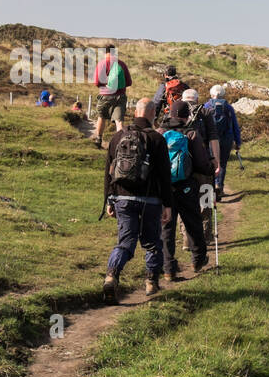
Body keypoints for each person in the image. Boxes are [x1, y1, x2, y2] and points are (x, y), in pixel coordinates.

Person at [103, 97, 172, 301]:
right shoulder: (157, 139)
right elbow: (164, 175)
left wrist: (109, 199)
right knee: (151, 242)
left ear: (135, 113)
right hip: (150, 200)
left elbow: (108, 172)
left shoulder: (117, 137)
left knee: (125, 242)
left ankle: (111, 276)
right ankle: (151, 282)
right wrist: (168, 204)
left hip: (122, 198)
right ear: (153, 114)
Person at [159, 102, 213, 281]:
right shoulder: (191, 134)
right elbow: (202, 163)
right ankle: (197, 259)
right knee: (193, 222)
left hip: (163, 187)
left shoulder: (159, 133)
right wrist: (210, 169)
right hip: (186, 186)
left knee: (167, 226)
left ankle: (168, 269)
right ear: (186, 115)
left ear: (170, 114)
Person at [204, 84, 242, 201]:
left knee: (212, 163)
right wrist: (238, 141)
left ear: (211, 94)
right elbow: (235, 126)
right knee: (223, 163)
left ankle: (212, 188)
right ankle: (219, 186)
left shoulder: (207, 106)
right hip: (227, 138)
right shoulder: (228, 108)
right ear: (223, 94)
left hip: (211, 139)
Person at [92, 50, 132, 150]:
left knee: (101, 117)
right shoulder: (122, 64)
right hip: (120, 96)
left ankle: (98, 139)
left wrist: (105, 85)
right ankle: (120, 143)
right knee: (119, 121)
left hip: (105, 95)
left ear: (106, 53)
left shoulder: (102, 63)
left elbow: (97, 82)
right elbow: (129, 82)